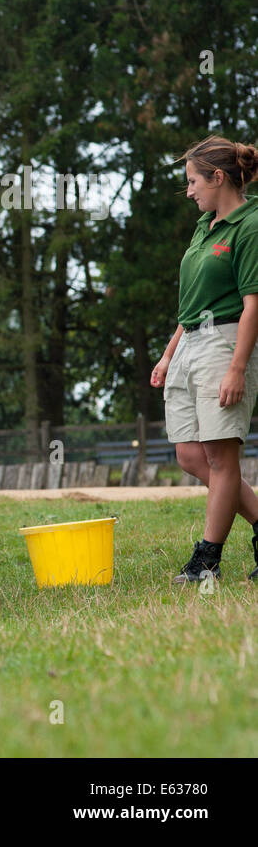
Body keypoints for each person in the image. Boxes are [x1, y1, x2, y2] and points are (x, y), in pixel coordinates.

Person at [152, 135, 258, 582]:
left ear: (218, 177)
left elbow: (254, 303)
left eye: (193, 181)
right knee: (190, 456)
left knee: (220, 457)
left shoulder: (250, 226)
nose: (189, 191)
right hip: (190, 343)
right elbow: (191, 302)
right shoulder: (204, 226)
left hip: (225, 343)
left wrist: (237, 366)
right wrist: (168, 351)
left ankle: (206, 561)